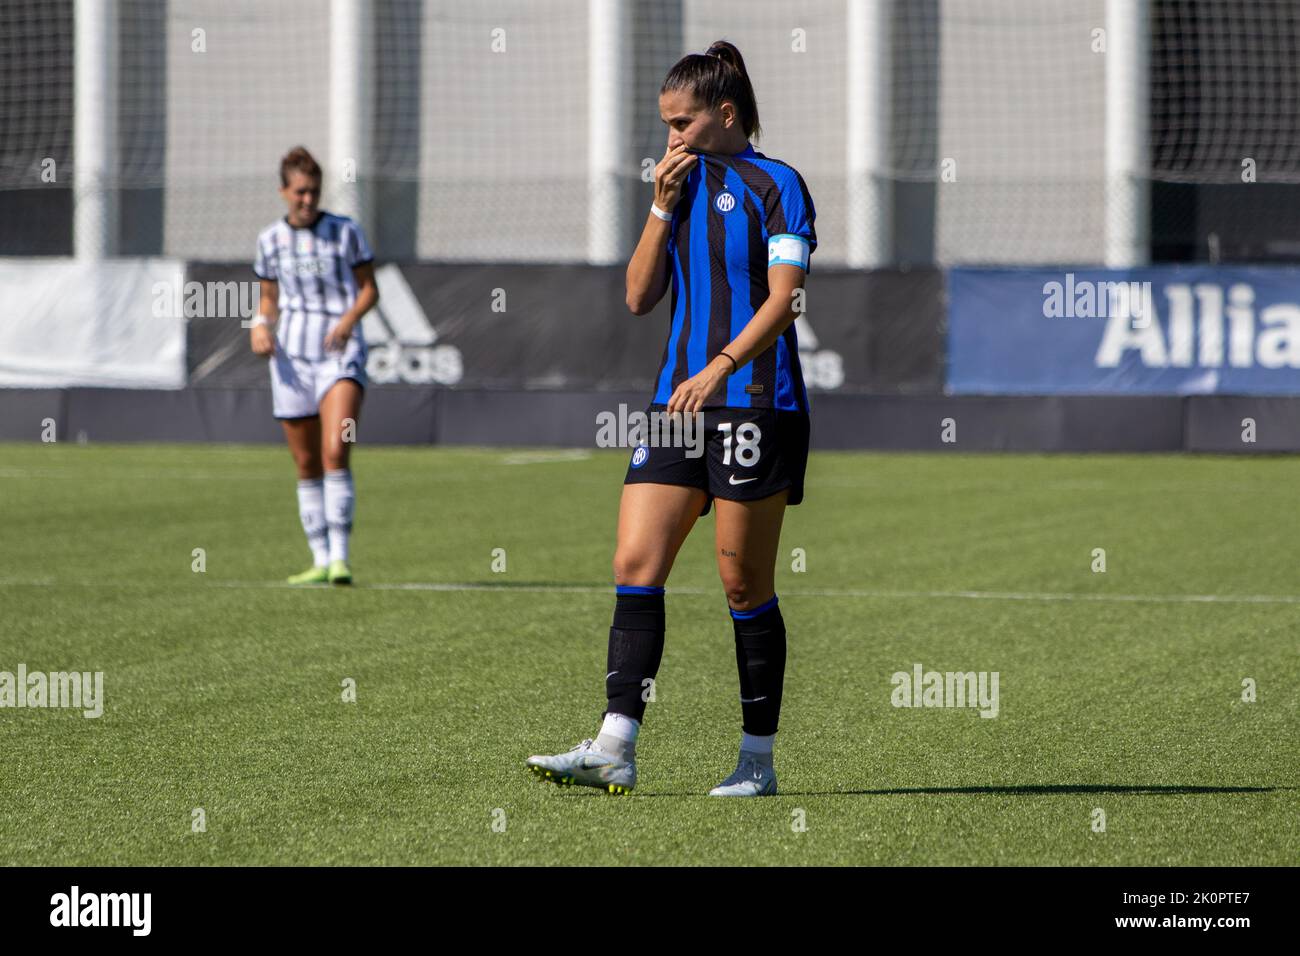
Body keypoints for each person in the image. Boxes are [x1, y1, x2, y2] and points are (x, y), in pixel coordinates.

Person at [526, 41, 816, 796]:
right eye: (664, 125)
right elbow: (636, 295)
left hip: (754, 402)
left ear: (725, 114)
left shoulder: (777, 184)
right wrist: (658, 206)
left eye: (682, 123)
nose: (671, 139)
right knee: (635, 565)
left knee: (742, 585)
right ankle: (614, 745)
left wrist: (720, 365)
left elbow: (784, 299)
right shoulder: (677, 185)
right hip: (673, 407)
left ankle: (757, 761)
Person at [250, 146, 379, 586]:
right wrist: (261, 326)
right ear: (284, 191)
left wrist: (347, 321)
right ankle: (319, 558)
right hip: (291, 362)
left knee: (335, 449)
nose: (308, 200)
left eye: (315, 192)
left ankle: (341, 558)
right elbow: (269, 299)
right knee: (306, 463)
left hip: (339, 355)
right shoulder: (270, 240)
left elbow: (369, 290)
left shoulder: (346, 233)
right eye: (301, 192)